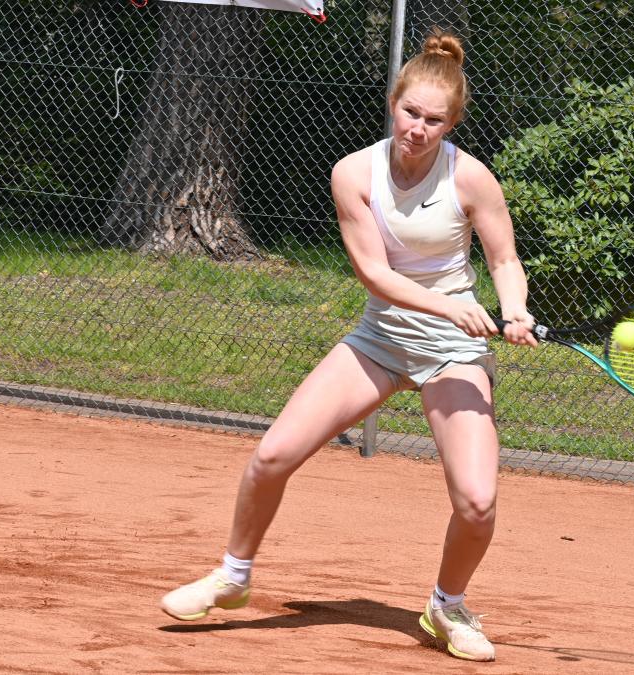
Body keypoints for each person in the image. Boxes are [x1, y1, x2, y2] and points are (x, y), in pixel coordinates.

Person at [159, 28, 538, 662]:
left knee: (476, 502)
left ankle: (446, 606)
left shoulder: (471, 179)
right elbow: (375, 274)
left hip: (453, 352)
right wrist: (450, 304)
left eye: (434, 120)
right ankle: (233, 576)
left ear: (452, 123)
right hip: (380, 339)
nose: (418, 128)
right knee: (272, 455)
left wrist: (515, 307)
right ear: (394, 102)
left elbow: (504, 259)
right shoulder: (353, 173)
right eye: (410, 112)